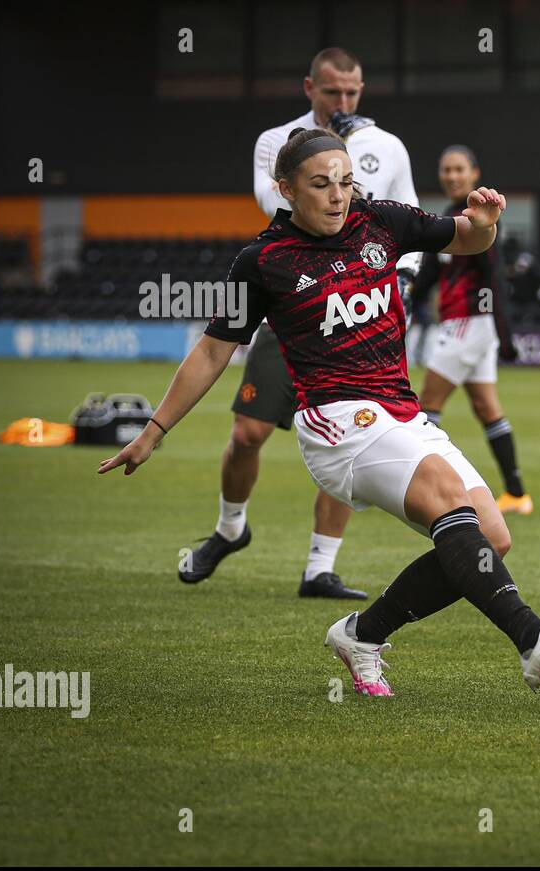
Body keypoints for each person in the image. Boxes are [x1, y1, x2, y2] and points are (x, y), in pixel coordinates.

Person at [99, 129, 540, 696]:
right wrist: (154, 430)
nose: (338, 196)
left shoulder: (382, 222)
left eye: (345, 182)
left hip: (401, 412)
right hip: (336, 422)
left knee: (490, 537)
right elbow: (213, 350)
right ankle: (534, 642)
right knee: (445, 492)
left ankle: (362, 634)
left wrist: (485, 221)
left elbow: (466, 240)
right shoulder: (262, 261)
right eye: (321, 185)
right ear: (285, 189)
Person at [179, 46, 423, 599]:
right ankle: (230, 529)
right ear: (309, 87)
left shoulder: (387, 147)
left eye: (353, 93)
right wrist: (341, 153)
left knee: (358, 428)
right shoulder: (276, 140)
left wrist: (405, 275)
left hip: (365, 308)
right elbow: (273, 200)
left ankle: (320, 568)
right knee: (249, 432)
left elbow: (410, 215)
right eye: (332, 91)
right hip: (297, 305)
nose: (343, 101)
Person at [412, 145, 531, 516]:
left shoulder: (480, 217)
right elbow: (431, 272)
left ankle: (422, 489)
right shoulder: (447, 217)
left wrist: (502, 331)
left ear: (474, 174)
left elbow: (494, 278)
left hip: (469, 322)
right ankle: (516, 494)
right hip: (469, 326)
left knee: (424, 406)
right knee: (486, 407)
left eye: (459, 169)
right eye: (446, 170)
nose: (451, 176)